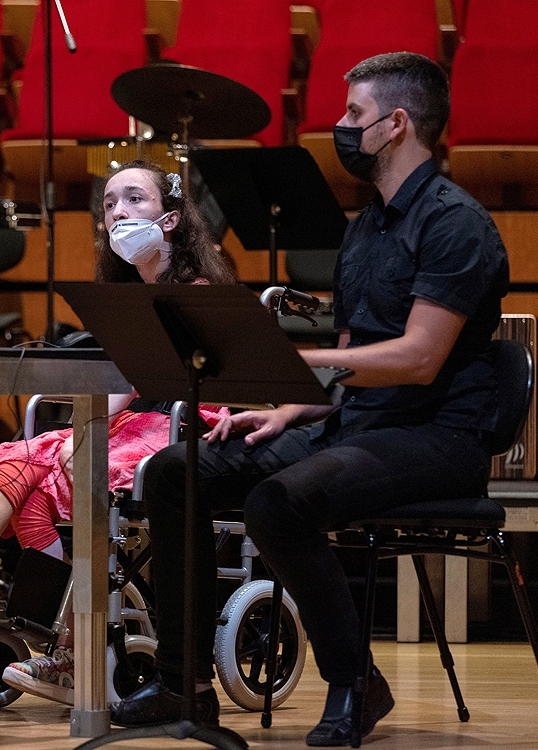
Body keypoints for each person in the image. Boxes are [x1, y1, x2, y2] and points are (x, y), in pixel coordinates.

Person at [110, 52, 509, 747]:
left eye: (354, 113)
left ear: (396, 123)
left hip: (439, 436)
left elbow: (418, 359)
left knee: (277, 502)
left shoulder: (455, 223)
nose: (341, 126)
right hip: (357, 423)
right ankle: (184, 685)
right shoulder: (366, 226)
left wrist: (301, 362)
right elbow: (354, 356)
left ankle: (356, 682)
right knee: (177, 470)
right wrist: (293, 407)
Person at [0, 159, 235, 704]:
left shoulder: (195, 291)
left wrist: (86, 435)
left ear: (172, 218)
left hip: (182, 426)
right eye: (109, 204)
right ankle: (64, 649)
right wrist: (84, 432)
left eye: (135, 199)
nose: (118, 212)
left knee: (44, 456)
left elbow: (158, 383)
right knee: (32, 479)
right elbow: (121, 388)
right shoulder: (129, 293)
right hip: (136, 421)